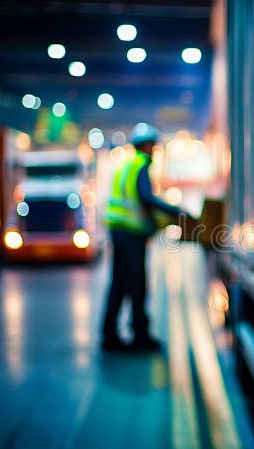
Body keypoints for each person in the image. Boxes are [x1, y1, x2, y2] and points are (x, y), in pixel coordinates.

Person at [101, 122, 187, 352]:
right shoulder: (140, 166)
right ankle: (140, 335)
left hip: (120, 232)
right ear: (145, 146)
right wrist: (175, 210)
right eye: (153, 146)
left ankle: (109, 335)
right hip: (130, 235)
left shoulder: (126, 165)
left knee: (119, 284)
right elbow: (146, 198)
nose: (155, 150)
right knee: (137, 284)